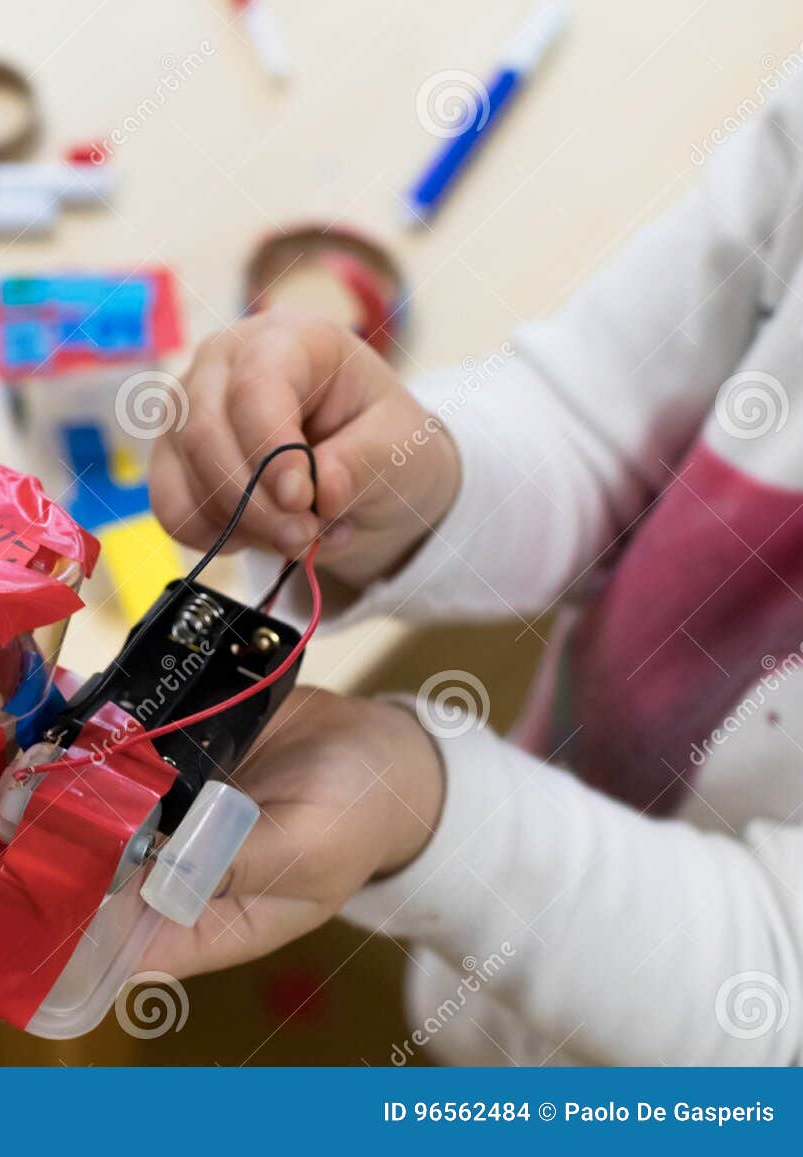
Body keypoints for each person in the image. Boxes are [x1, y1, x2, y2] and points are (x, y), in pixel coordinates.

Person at [140, 78, 803, 1065]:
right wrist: (416, 475)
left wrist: (434, 815)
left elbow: (770, 993)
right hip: (502, 952)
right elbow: (602, 414)